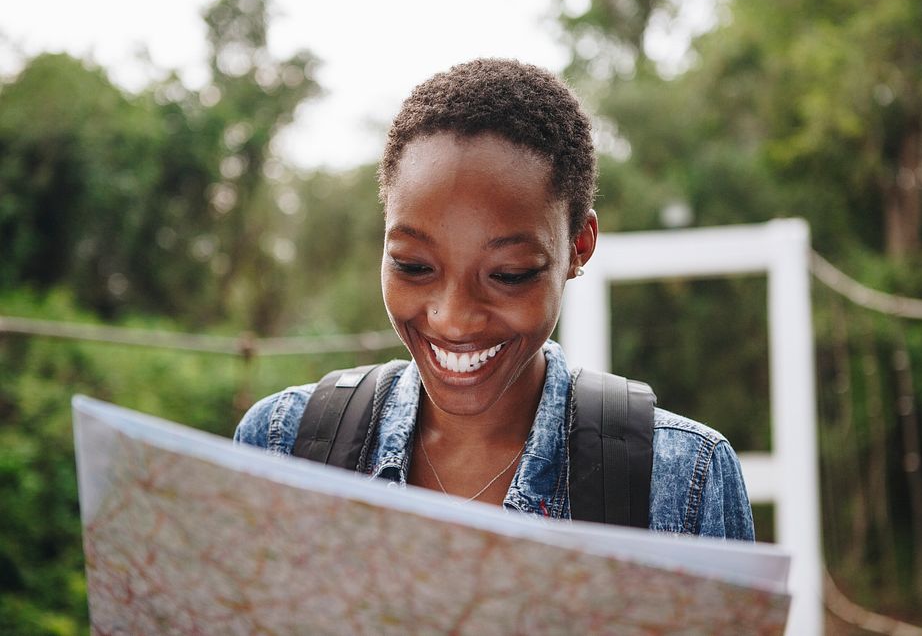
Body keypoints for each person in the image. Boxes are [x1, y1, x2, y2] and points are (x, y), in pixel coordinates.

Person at [234, 58, 754, 540]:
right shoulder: (279, 445)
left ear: (579, 247)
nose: (454, 319)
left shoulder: (687, 479)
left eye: (508, 274)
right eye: (414, 266)